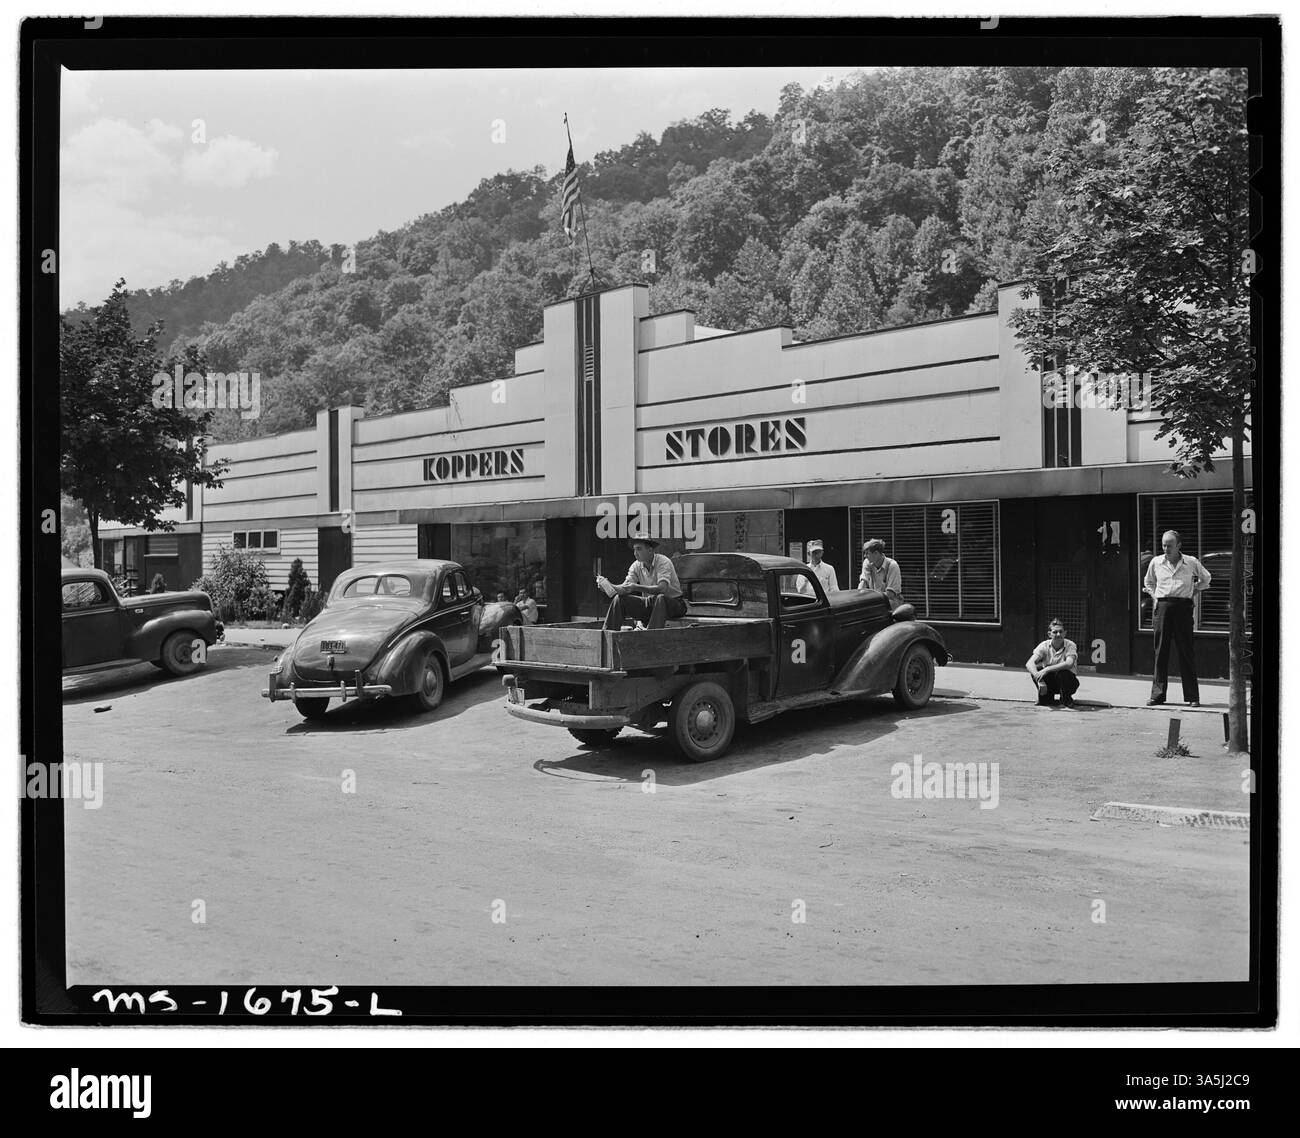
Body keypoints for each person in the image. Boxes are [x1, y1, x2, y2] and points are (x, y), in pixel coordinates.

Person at [1144, 529, 1211, 706]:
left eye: (1170, 545)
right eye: (1164, 545)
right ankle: (1157, 695)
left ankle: (1192, 697)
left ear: (1179, 546)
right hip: (1163, 607)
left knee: (1186, 652)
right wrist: (1155, 597)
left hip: (1183, 607)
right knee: (1160, 652)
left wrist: (1193, 591)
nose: (1166, 548)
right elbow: (1148, 582)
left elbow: (1206, 578)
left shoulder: (1191, 562)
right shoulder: (1156, 562)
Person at [596, 537, 687, 630]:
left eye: (639, 549)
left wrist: (636, 587)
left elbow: (662, 589)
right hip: (651, 603)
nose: (635, 553)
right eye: (634, 550)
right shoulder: (636, 565)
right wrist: (608, 586)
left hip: (675, 604)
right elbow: (625, 588)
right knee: (619, 599)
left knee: (660, 598)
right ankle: (606, 636)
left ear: (650, 550)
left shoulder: (663, 561)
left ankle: (649, 637)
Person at [1026, 618, 1080, 708]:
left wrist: (1047, 669)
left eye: (1061, 632)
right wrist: (1040, 680)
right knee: (1037, 670)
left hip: (1068, 684)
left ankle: (1066, 699)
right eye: (1055, 632)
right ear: (1049, 634)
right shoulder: (1044, 645)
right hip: (1050, 683)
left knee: (1063, 672)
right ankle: (1046, 697)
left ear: (1065, 633)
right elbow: (1029, 663)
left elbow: (1069, 663)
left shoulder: (1071, 645)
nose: (1058, 634)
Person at [859, 538, 904, 607]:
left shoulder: (892, 566)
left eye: (867, 553)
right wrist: (858, 595)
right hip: (875, 600)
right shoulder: (867, 562)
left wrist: (869, 597)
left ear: (876, 553)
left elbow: (890, 594)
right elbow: (863, 582)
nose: (865, 556)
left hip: (892, 601)